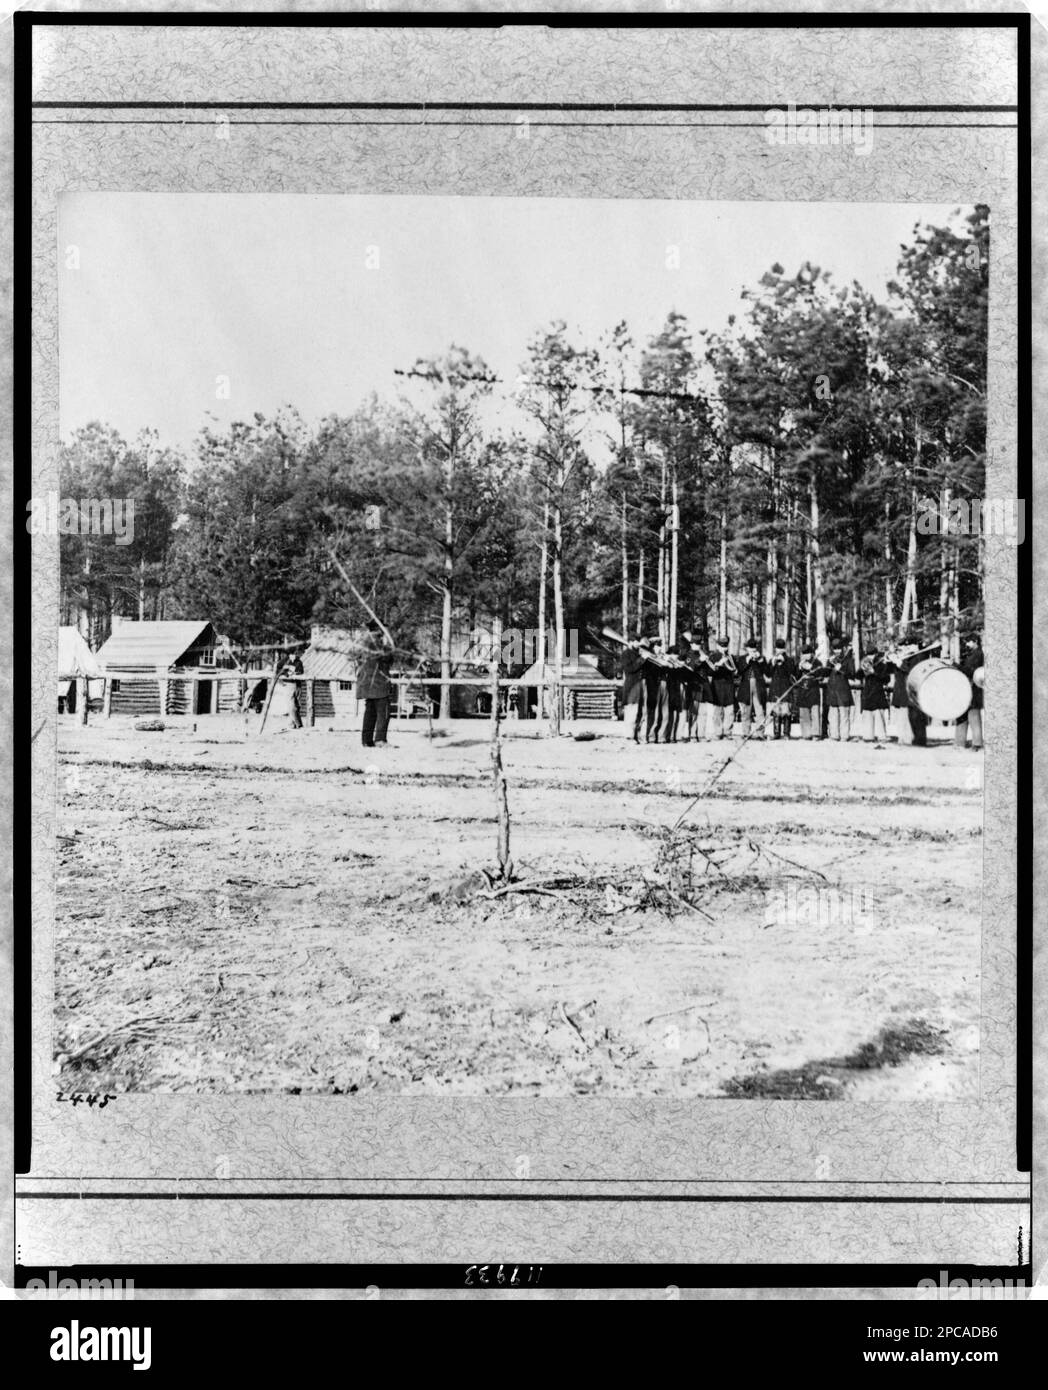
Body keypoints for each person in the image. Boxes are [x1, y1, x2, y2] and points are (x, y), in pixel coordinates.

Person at [357, 623, 395, 748]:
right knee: (383, 712)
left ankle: (366, 741)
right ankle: (380, 740)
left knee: (370, 712)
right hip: (378, 683)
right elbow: (388, 658)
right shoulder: (378, 643)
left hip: (366, 683)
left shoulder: (362, 642)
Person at [954, 633, 984, 750]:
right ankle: (959, 743)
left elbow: (971, 672)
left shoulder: (978, 655)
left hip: (973, 691)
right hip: (966, 690)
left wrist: (956, 665)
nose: (967, 644)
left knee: (974, 718)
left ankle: (977, 744)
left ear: (975, 642)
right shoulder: (972, 654)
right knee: (961, 717)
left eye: (969, 642)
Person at [704, 636, 736, 740]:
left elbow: (735, 671)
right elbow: (709, 672)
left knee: (729, 711)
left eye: (726, 646)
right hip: (717, 685)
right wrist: (718, 664)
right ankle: (718, 732)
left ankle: (727, 732)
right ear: (718, 646)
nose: (724, 648)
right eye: (722, 646)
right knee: (717, 711)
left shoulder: (730, 657)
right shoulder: (713, 656)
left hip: (729, 686)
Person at [825, 644, 856, 741]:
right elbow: (825, 673)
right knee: (833, 714)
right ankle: (834, 735)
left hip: (843, 691)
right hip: (832, 691)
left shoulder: (848, 660)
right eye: (835, 648)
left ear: (842, 649)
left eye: (839, 648)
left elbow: (852, 674)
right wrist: (829, 664)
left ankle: (844, 735)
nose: (837, 651)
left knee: (844, 715)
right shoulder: (830, 660)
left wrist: (841, 669)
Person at [767, 638, 797, 739]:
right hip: (775, 687)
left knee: (786, 711)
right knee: (776, 710)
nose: (779, 651)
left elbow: (792, 672)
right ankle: (776, 733)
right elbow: (768, 673)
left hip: (785, 687)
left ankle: (786, 733)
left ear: (785, 649)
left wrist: (785, 662)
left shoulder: (789, 660)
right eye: (778, 649)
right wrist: (772, 663)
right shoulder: (773, 659)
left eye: (781, 649)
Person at [859, 650, 890, 743]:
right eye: (869, 654)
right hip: (868, 693)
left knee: (879, 717)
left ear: (876, 654)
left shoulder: (881, 665)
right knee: (868, 716)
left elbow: (886, 679)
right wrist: (862, 669)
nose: (870, 657)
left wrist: (874, 672)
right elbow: (857, 675)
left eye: (872, 654)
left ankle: (882, 737)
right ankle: (868, 737)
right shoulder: (865, 662)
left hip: (878, 693)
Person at [794, 645, 823, 740]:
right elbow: (796, 677)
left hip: (813, 687)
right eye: (803, 654)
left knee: (815, 711)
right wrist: (799, 667)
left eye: (807, 653)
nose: (805, 656)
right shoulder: (800, 663)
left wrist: (811, 668)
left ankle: (816, 734)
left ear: (811, 653)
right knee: (803, 711)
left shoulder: (816, 662)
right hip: (802, 688)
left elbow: (821, 673)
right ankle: (806, 734)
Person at [620, 637, 646, 743]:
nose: (638, 643)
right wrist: (642, 659)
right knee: (631, 712)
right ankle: (629, 736)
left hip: (640, 685)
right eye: (636, 641)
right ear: (630, 642)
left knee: (640, 712)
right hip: (631, 686)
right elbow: (629, 669)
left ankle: (637, 735)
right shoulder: (626, 654)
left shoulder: (638, 653)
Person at [642, 637, 667, 744]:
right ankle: (650, 735)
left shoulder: (660, 657)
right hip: (651, 686)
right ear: (653, 646)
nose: (660, 648)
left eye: (660, 646)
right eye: (657, 646)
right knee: (651, 712)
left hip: (659, 685)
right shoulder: (649, 657)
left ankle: (659, 736)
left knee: (660, 713)